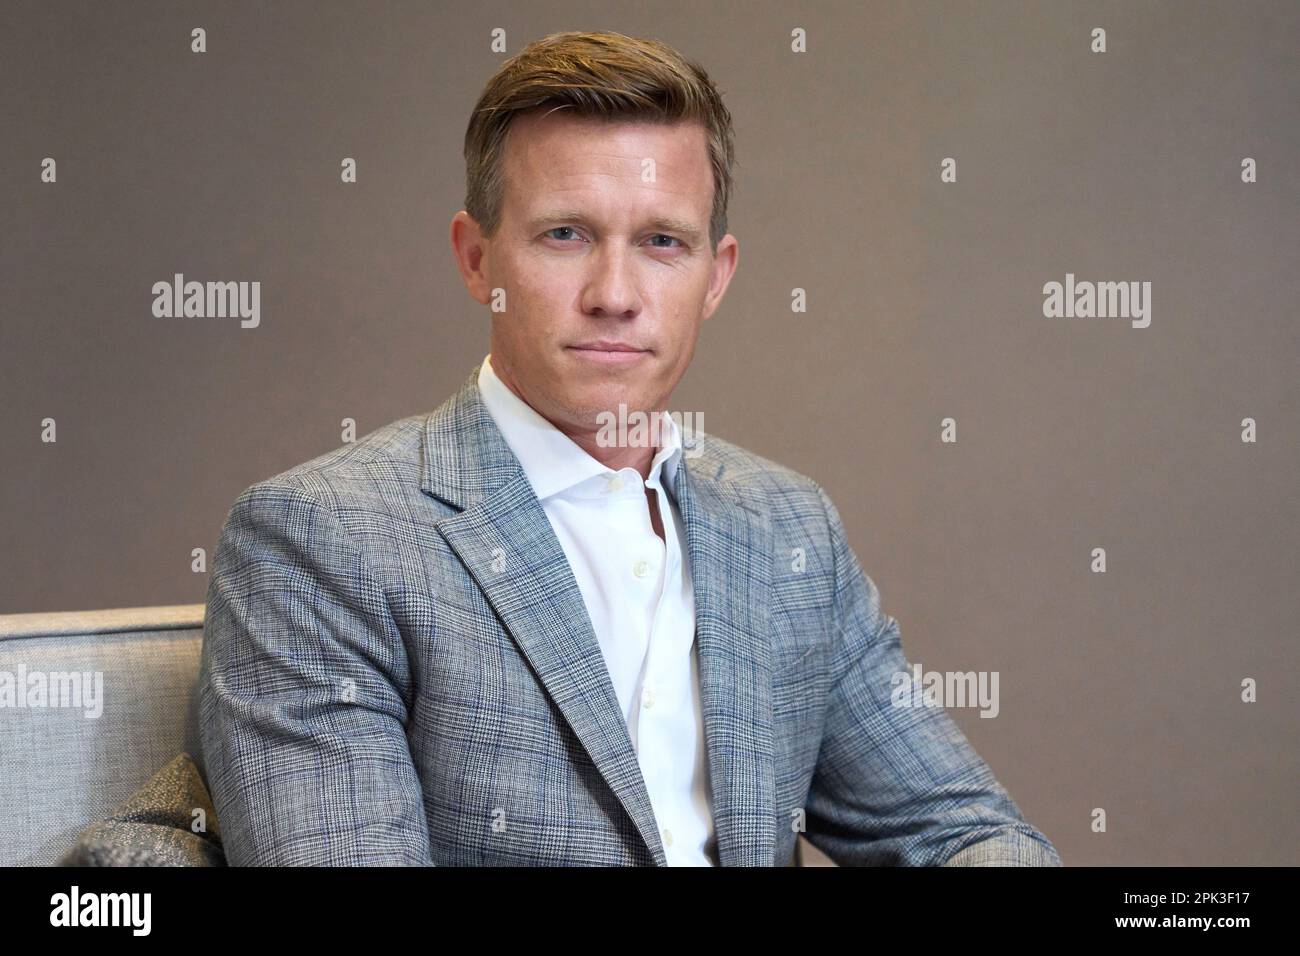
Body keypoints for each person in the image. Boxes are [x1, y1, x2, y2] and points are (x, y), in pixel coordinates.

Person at [198, 30, 1061, 867]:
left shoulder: (786, 528)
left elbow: (962, 834)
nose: (615, 295)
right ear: (475, 258)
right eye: (565, 234)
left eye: (661, 242)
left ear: (715, 276)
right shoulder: (321, 542)